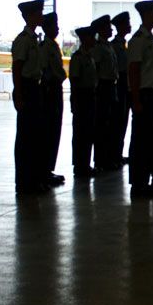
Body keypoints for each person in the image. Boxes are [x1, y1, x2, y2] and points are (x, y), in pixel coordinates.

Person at [127, 0, 153, 198]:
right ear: (148, 14)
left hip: (152, 95)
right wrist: (136, 99)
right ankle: (138, 184)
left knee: (149, 141)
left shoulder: (150, 39)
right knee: (141, 142)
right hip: (143, 95)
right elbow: (133, 70)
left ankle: (145, 181)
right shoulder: (139, 40)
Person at [11, 0, 46, 194]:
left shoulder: (34, 39)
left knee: (35, 136)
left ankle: (33, 179)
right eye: (38, 12)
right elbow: (17, 67)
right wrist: (19, 93)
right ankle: (24, 182)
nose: (41, 16)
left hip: (35, 88)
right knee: (26, 138)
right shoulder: (24, 40)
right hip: (27, 88)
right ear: (30, 16)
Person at [40, 12, 66, 187]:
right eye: (54, 26)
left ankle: (48, 169)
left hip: (56, 88)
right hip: (49, 90)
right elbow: (44, 70)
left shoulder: (53, 46)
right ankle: (43, 171)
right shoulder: (44, 47)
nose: (56, 29)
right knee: (48, 131)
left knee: (55, 129)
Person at [69, 26, 98, 178]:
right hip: (82, 97)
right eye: (92, 37)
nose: (94, 40)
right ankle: (79, 165)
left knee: (88, 132)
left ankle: (85, 164)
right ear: (85, 39)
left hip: (90, 95)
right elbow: (74, 80)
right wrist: (74, 101)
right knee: (80, 133)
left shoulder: (90, 57)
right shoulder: (78, 57)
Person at [91, 14, 119, 171]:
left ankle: (107, 157)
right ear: (101, 30)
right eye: (108, 27)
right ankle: (100, 160)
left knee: (110, 124)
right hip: (103, 87)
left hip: (111, 87)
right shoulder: (98, 48)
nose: (111, 30)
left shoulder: (108, 46)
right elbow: (96, 70)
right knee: (101, 125)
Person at [112, 11, 133, 165]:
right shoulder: (115, 46)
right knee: (117, 121)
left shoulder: (123, 45)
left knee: (123, 120)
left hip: (125, 85)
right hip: (119, 85)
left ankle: (118, 153)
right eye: (127, 23)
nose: (129, 25)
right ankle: (114, 154)